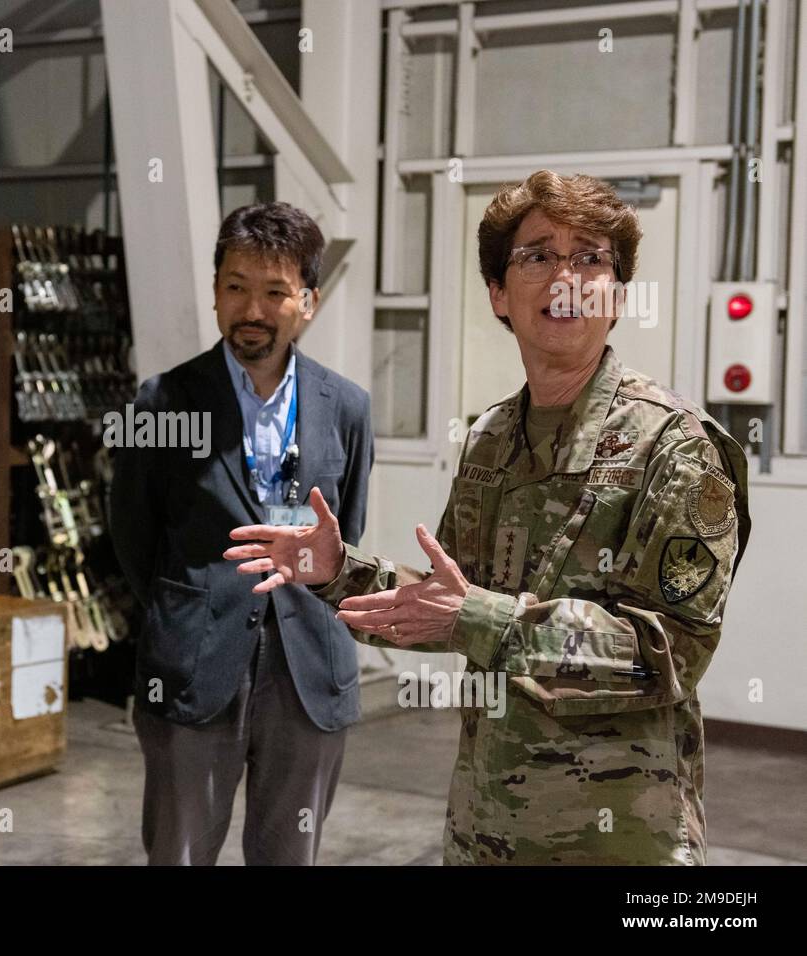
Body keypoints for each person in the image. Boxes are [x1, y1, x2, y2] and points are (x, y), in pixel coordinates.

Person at [225, 170, 751, 865]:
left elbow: (669, 653)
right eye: (537, 255)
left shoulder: (676, 447)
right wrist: (338, 570)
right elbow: (448, 600)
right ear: (499, 294)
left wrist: (476, 616)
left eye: (590, 257)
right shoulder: (492, 437)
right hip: (488, 832)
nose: (565, 277)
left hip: (620, 840)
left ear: (618, 294)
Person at [109, 201, 374, 865]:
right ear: (216, 291)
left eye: (274, 292)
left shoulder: (344, 407)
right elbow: (133, 535)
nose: (251, 310)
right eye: (235, 287)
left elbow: (348, 530)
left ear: (308, 301)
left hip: (307, 669)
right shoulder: (162, 403)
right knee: (181, 853)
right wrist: (193, 607)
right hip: (194, 666)